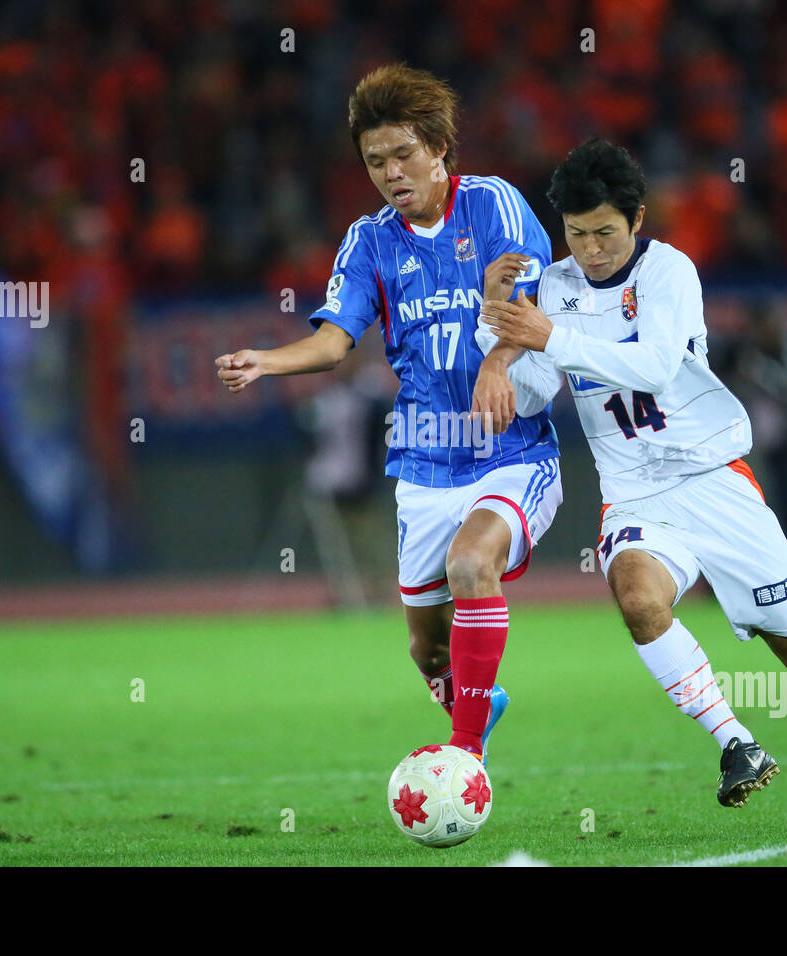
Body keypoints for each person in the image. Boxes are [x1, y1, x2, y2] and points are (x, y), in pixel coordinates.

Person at [480, 138, 787, 817]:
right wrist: (494, 330)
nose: (590, 248)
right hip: (635, 492)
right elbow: (536, 392)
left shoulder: (670, 273)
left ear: (638, 220)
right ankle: (735, 740)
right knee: (636, 595)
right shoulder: (555, 288)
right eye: (575, 233)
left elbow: (653, 366)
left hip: (714, 480)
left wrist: (546, 337)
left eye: (604, 231)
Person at [217, 65, 561, 763]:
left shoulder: (493, 205)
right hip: (425, 460)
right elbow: (335, 340)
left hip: (513, 450)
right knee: (426, 650)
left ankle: (465, 756)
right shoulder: (369, 242)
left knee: (472, 565)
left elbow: (529, 301)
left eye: (403, 154)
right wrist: (268, 360)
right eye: (375, 161)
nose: (390, 172)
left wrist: (496, 365)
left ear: (438, 148)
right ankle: (473, 704)